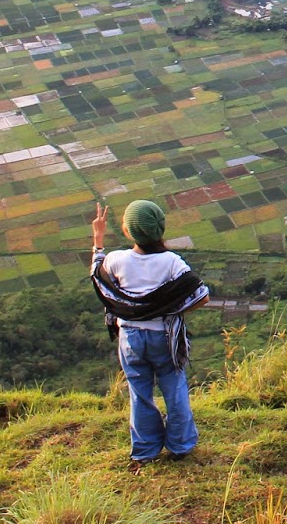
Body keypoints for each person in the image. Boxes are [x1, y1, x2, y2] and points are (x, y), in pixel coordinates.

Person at [90, 200, 210, 469]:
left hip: (130, 337)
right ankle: (180, 445)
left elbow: (98, 278)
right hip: (164, 338)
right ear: (160, 229)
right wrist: (168, 309)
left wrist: (98, 239)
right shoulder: (171, 263)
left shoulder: (116, 259)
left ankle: (145, 450)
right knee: (175, 388)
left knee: (139, 392)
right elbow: (201, 296)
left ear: (128, 231)